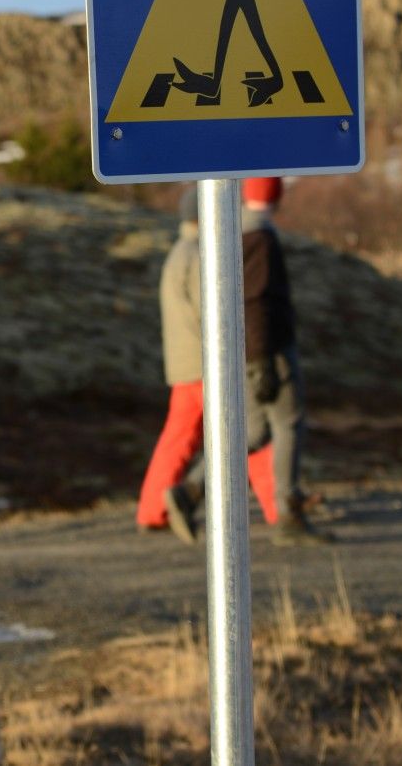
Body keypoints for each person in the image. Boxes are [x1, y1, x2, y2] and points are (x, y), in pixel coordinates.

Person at [166, 177, 332, 547]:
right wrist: (263, 362)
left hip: (242, 352)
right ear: (275, 196)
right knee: (289, 424)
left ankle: (191, 491)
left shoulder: (229, 233)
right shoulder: (259, 237)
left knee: (251, 433)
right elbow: (255, 302)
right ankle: (289, 513)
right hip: (268, 351)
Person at [136, 188, 278, 535]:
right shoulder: (203, 253)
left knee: (178, 439)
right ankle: (279, 506)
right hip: (205, 364)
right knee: (249, 430)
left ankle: (152, 510)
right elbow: (214, 311)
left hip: (183, 363)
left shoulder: (178, 252)